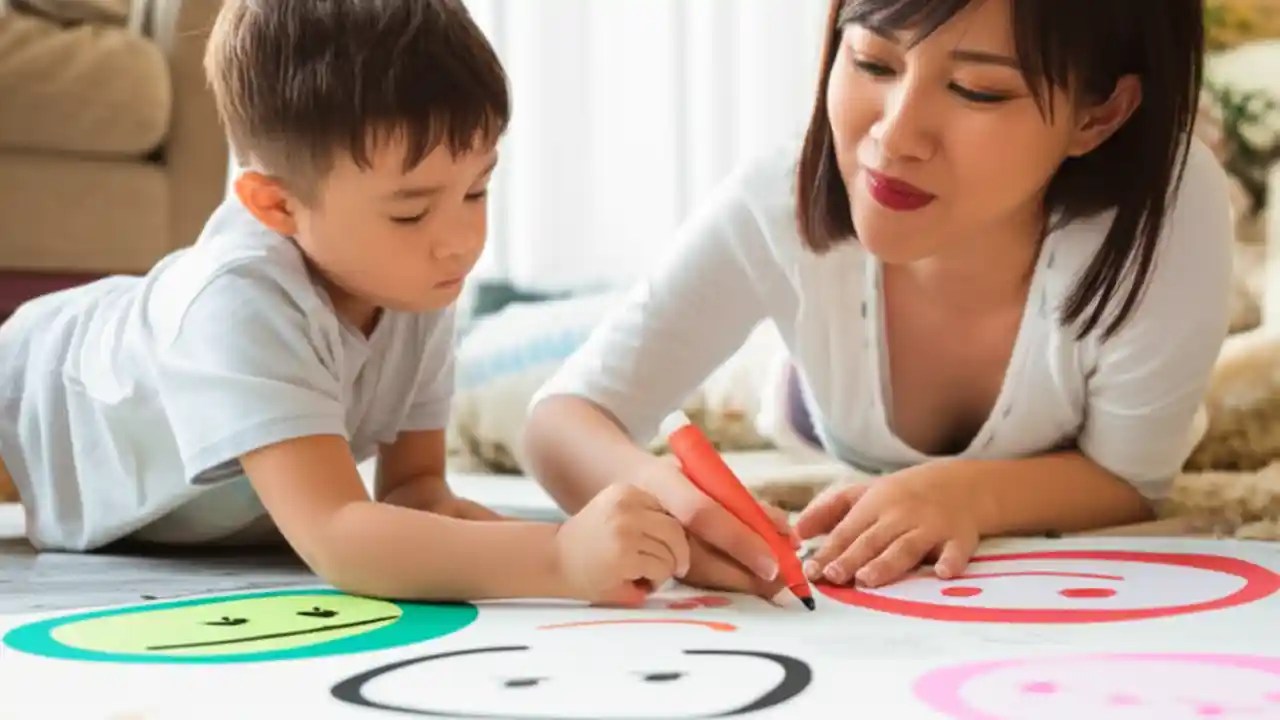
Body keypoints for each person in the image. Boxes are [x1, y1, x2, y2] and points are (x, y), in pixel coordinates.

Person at [523, 0, 1232, 596]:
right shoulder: (775, 204)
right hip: (799, 400)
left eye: (977, 91)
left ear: (1100, 114)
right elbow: (559, 419)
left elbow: (1130, 478)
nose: (894, 136)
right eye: (871, 62)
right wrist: (670, 498)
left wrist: (968, 494)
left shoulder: (1169, 213)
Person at [0, 0, 691, 607]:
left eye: (476, 191)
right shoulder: (239, 303)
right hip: (39, 395)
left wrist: (582, 541)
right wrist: (558, 560)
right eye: (410, 213)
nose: (458, 242)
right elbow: (337, 535)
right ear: (276, 205)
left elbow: (414, 494)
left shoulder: (418, 283)